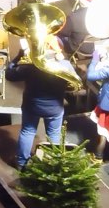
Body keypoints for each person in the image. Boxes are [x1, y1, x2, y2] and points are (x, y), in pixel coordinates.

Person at [6, 38, 75, 166]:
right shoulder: (65, 65)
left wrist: (18, 57)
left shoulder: (32, 66)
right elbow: (75, 83)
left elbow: (9, 75)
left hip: (32, 106)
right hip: (55, 108)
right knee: (54, 135)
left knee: (27, 131)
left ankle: (21, 164)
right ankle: (52, 165)